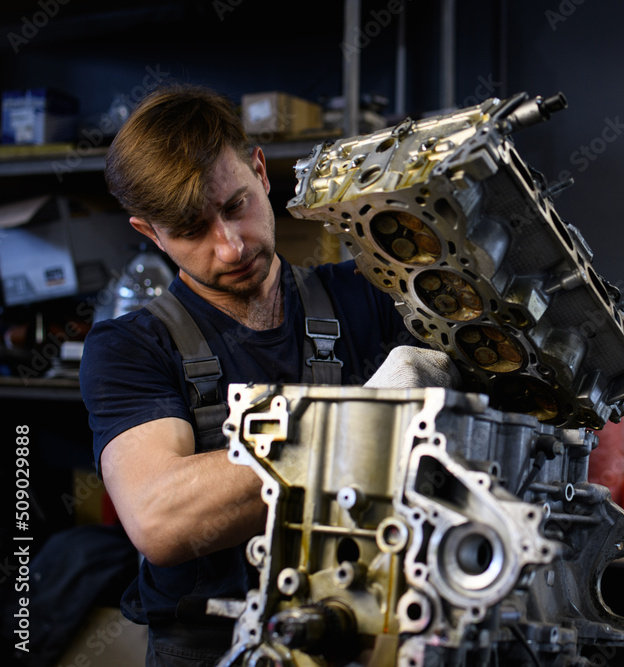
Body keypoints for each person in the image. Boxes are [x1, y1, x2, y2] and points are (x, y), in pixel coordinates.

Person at [80, 84, 457, 666]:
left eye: (235, 206)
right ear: (149, 233)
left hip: (362, 639)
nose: (229, 247)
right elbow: (161, 519)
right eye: (189, 229)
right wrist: (367, 418)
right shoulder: (130, 347)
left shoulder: (372, 297)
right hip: (211, 648)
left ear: (260, 170)